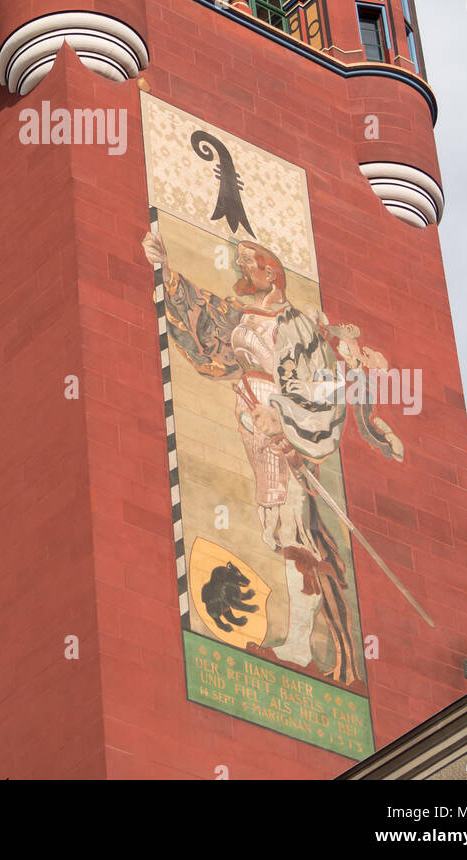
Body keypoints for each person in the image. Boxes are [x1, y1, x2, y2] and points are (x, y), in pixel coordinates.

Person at [142, 230, 362, 687]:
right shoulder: (244, 314)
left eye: (249, 261)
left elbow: (323, 385)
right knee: (280, 533)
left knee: (297, 531)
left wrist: (284, 417)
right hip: (252, 425)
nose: (243, 269)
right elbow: (209, 324)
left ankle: (306, 644)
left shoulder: (297, 324)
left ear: (271, 270)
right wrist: (166, 271)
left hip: (284, 429)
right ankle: (299, 642)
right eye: (241, 262)